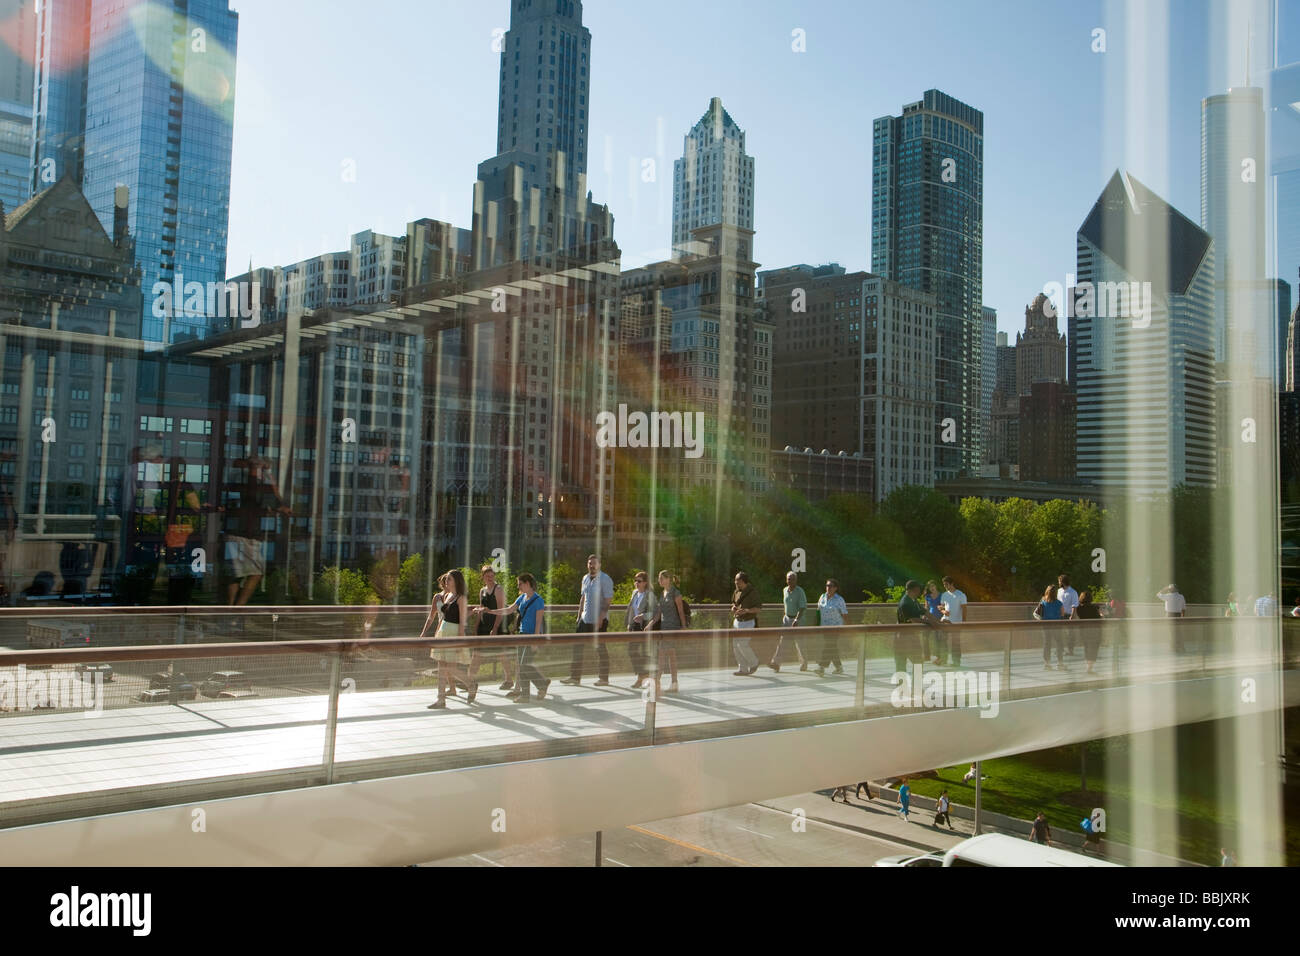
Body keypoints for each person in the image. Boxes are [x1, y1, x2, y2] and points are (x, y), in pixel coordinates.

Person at [221, 457, 290, 607]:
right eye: (265, 469)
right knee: (257, 572)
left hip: (234, 532)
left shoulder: (238, 483)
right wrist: (269, 478)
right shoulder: (255, 485)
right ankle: (238, 609)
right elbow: (276, 501)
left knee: (236, 574)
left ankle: (231, 608)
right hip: (247, 534)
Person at [480, 573, 550, 702]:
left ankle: (541, 684)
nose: (518, 586)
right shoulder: (521, 598)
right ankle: (527, 693)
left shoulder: (538, 600)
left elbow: (539, 621)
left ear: (527, 583)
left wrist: (535, 640)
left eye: (520, 584)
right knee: (522, 664)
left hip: (532, 636)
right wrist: (490, 611)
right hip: (522, 635)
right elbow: (508, 610)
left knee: (524, 664)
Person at [423, 569, 475, 708]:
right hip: (443, 632)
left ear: (457, 581)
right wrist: (437, 633)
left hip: (453, 633)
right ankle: (441, 700)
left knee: (451, 668)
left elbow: (462, 623)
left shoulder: (461, 598)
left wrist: (459, 642)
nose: (446, 581)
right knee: (441, 667)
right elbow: (442, 617)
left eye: (449, 579)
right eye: (446, 579)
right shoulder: (447, 596)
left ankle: (471, 684)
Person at [563, 554, 613, 687]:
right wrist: (579, 616)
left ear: (599, 565)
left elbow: (608, 602)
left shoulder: (605, 579)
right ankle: (575, 677)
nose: (592, 566)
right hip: (585, 619)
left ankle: (604, 678)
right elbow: (583, 598)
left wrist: (601, 618)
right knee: (577, 647)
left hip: (599, 620)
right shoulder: (585, 578)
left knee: (600, 649)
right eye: (590, 563)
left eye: (594, 563)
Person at [472, 565, 516, 691]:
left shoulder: (499, 589)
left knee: (501, 653)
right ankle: (471, 680)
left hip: (498, 624)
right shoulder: (482, 591)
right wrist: (476, 626)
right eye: (487, 576)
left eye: (492, 576)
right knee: (477, 653)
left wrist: (495, 628)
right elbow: (481, 609)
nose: (490, 578)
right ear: (483, 577)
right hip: (485, 625)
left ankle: (509, 680)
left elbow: (502, 610)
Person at [647, 570, 686, 695]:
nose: (659, 581)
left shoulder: (675, 592)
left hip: (672, 626)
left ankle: (659, 682)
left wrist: (684, 627)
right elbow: (659, 613)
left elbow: (681, 611)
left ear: (668, 579)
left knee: (664, 654)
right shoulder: (662, 593)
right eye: (659, 578)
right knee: (668, 655)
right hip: (664, 627)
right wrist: (650, 625)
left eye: (661, 578)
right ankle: (673, 683)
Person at [895, 580, 941, 677]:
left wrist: (939, 621)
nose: (920, 591)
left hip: (911, 636)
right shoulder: (905, 603)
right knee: (903, 664)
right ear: (914, 590)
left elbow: (925, 612)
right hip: (904, 638)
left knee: (917, 662)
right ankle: (902, 689)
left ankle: (916, 689)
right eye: (918, 589)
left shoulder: (913, 601)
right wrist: (929, 622)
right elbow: (912, 619)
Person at [624, 571, 657, 689]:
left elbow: (655, 613)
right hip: (633, 626)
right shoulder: (634, 593)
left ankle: (641, 677)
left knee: (642, 653)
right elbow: (631, 610)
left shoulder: (650, 595)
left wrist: (643, 616)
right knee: (631, 651)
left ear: (645, 583)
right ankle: (643, 675)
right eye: (635, 581)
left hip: (643, 627)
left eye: (639, 581)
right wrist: (629, 624)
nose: (636, 583)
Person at [770, 571, 808, 672]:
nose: (790, 581)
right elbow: (785, 605)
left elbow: (802, 607)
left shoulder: (800, 591)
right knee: (782, 642)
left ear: (796, 580)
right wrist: (785, 616)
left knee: (800, 643)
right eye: (788, 579)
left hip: (798, 620)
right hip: (786, 619)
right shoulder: (785, 590)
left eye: (792, 579)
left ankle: (804, 663)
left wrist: (796, 619)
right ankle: (776, 663)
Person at [730, 571, 762, 676]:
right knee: (735, 645)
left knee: (742, 644)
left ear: (743, 581)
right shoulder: (736, 591)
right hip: (737, 621)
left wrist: (746, 610)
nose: (735, 582)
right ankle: (743, 669)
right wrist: (734, 608)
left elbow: (758, 608)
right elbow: (733, 604)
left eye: (737, 581)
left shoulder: (753, 592)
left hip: (748, 622)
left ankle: (754, 662)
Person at [815, 578, 847, 676]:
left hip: (835, 628)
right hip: (824, 627)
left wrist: (849, 628)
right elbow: (818, 611)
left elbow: (845, 614)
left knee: (828, 645)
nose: (828, 588)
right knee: (832, 647)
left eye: (831, 586)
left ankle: (821, 667)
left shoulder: (839, 599)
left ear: (836, 588)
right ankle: (839, 667)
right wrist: (816, 625)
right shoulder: (822, 597)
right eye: (827, 585)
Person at [1034, 584, 1066, 670]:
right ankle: (1060, 664)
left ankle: (1047, 664)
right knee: (1059, 644)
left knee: (1047, 644)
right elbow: (1063, 614)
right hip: (1057, 626)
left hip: (1046, 626)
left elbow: (1036, 614)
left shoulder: (1043, 602)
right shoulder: (1059, 603)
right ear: (1055, 593)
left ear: (1047, 592)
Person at [1072, 589, 1104, 674]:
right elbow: (1099, 619)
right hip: (1094, 631)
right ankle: (1089, 667)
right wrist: (1101, 614)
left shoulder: (1079, 608)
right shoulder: (1093, 608)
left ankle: (1088, 665)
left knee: (1086, 647)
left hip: (1084, 630)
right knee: (1094, 648)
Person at [940, 576, 968, 666]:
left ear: (952, 584)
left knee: (955, 643)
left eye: (946, 584)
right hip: (945, 621)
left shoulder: (961, 595)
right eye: (944, 585)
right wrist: (943, 611)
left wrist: (963, 622)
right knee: (943, 642)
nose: (945, 586)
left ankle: (956, 662)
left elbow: (964, 609)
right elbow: (941, 607)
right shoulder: (944, 595)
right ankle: (943, 660)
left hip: (956, 623)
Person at [1158, 583, 1188, 652]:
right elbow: (1183, 608)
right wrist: (1182, 617)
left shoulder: (1168, 596)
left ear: (1171, 589)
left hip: (1169, 616)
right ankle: (1181, 647)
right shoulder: (1181, 596)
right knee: (1178, 632)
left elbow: (1158, 594)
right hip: (1178, 615)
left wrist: (1164, 588)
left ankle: (1174, 648)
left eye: (1169, 589)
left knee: (1171, 633)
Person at [923, 580, 944, 664]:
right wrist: (924, 617)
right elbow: (926, 608)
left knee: (937, 638)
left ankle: (939, 658)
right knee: (925, 636)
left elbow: (944, 606)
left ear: (936, 586)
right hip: (929, 618)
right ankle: (927, 656)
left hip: (939, 618)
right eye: (930, 587)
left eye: (933, 586)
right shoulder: (927, 596)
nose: (931, 588)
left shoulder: (942, 595)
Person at [1058, 574, 1080, 655]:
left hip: (1068, 615)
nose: (1058, 583)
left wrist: (1072, 616)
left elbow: (1075, 605)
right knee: (1060, 634)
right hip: (1060, 615)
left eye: (1059, 581)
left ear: (1063, 582)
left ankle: (1070, 651)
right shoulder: (1059, 591)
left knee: (1070, 635)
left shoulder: (1073, 592)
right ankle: (1061, 650)